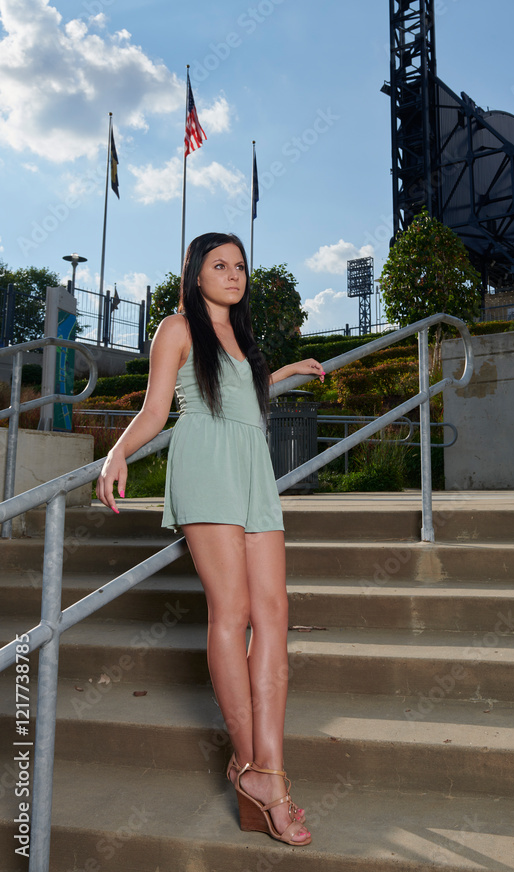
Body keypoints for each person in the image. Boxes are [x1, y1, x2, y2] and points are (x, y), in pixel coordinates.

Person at [96, 232, 325, 847]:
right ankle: (263, 773)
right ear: (195, 274)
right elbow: (156, 410)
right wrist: (116, 453)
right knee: (236, 611)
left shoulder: (243, 338)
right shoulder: (176, 328)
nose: (233, 274)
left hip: (253, 468)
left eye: (240, 265)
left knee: (274, 612)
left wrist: (284, 373)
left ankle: (262, 767)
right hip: (205, 463)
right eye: (219, 265)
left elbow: (241, 400)